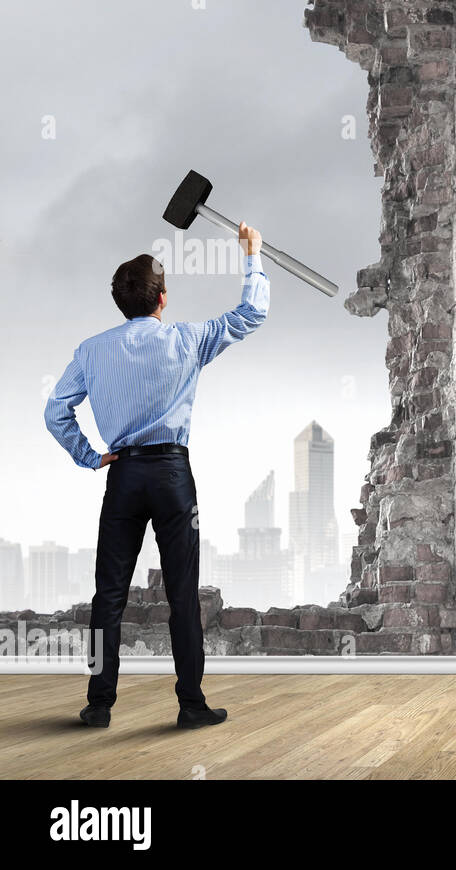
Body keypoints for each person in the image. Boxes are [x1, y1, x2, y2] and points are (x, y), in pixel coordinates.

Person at [44, 222, 269, 730]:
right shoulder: (188, 340)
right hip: (172, 475)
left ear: (120, 303)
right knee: (183, 594)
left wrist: (90, 455)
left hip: (122, 477)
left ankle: (99, 704)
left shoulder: (91, 350)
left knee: (109, 596)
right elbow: (251, 313)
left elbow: (56, 412)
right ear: (162, 299)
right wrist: (251, 254)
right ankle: (191, 704)